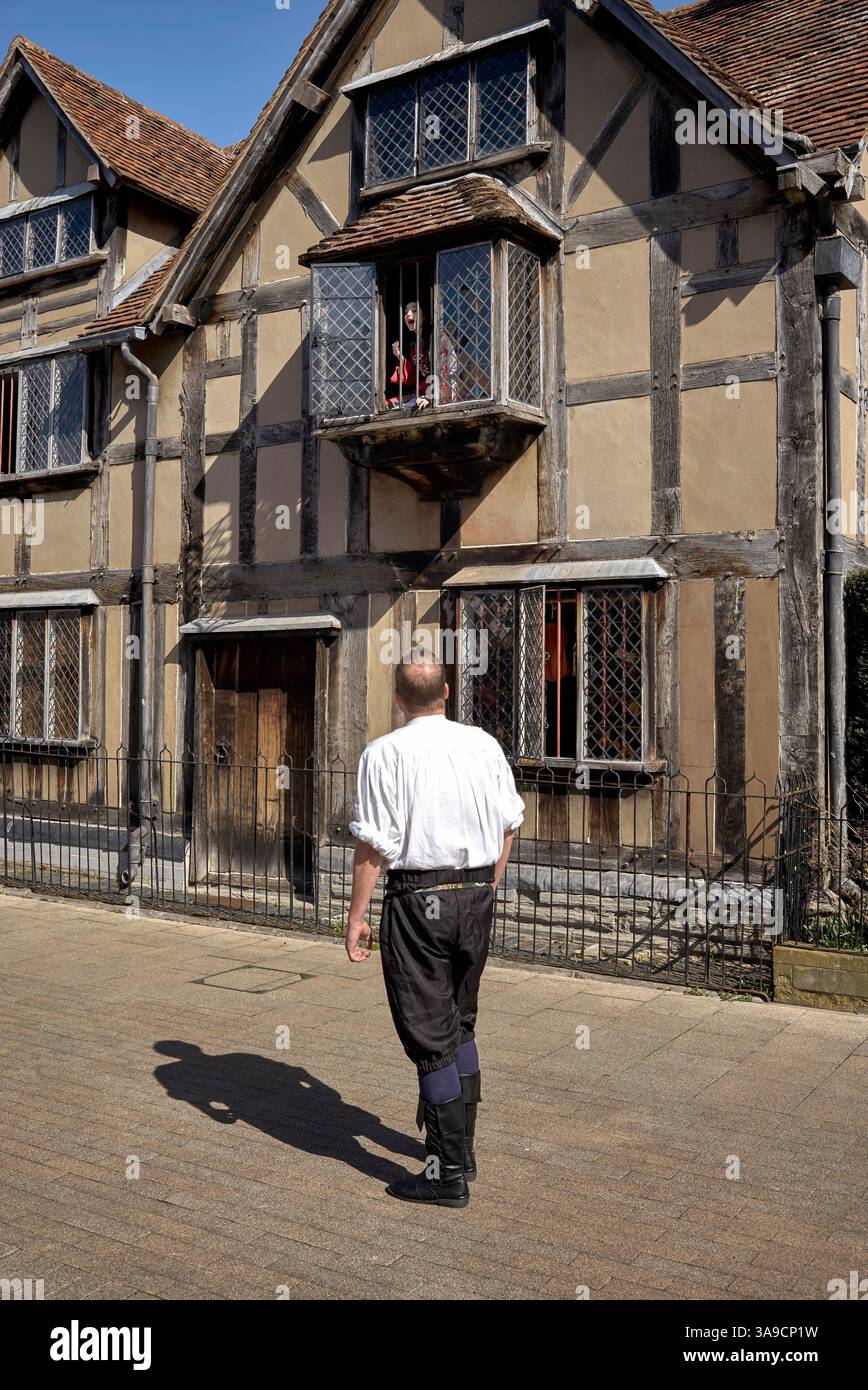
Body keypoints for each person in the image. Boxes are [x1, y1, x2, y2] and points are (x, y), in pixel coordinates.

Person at [346, 659, 525, 1208]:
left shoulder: (384, 753)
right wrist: (489, 883)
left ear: (398, 698)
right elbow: (510, 821)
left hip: (419, 900)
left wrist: (356, 917)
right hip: (474, 897)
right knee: (460, 1023)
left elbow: (374, 847)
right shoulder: (484, 745)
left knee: (430, 1035)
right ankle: (462, 1152)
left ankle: (446, 1174)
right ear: (447, 692)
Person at [387, 301, 432, 410]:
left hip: (437, 391)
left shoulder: (436, 339)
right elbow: (415, 376)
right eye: (406, 312)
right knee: (387, 404)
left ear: (424, 316)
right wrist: (400, 357)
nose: (408, 314)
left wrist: (431, 398)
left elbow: (445, 372)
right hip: (421, 390)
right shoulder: (414, 344)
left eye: (414, 311)